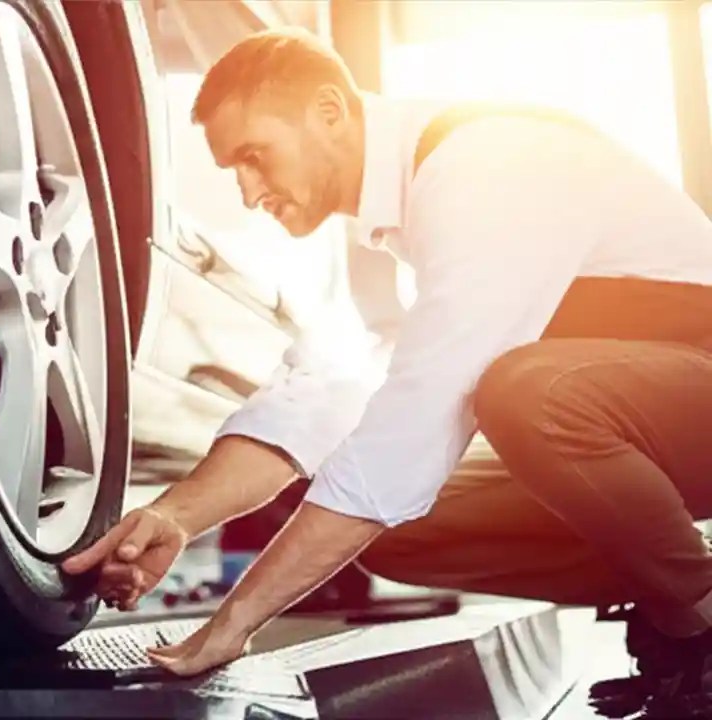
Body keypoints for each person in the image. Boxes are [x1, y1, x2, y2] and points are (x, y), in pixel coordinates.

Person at [60, 26, 712, 713]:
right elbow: (322, 397)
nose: (249, 193)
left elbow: (409, 432)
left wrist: (234, 621)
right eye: (233, 172)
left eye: (255, 156)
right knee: (403, 531)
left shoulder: (485, 167)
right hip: (656, 431)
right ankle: (675, 592)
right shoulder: (404, 226)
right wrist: (176, 515)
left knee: (525, 397)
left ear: (330, 112)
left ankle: (699, 611)